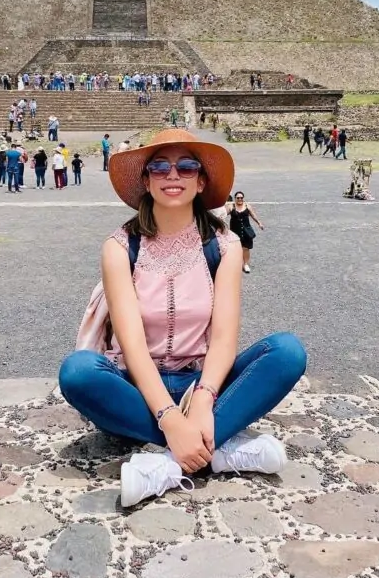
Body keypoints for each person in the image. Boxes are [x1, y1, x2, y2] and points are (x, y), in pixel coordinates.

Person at [58, 129, 306, 507]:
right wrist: (170, 418)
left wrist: (204, 401)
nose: (173, 175)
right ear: (146, 180)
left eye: (186, 166)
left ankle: (171, 464)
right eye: (160, 167)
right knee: (78, 372)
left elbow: (224, 338)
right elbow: (132, 343)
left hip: (202, 380)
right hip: (137, 387)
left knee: (287, 351)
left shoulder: (225, 246)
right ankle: (216, 449)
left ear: (201, 181)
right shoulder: (119, 247)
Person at [228, 192, 264, 274]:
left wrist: (259, 223)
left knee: (246, 248)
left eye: (241, 198)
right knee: (235, 248)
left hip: (246, 230)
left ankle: (246, 264)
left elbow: (253, 215)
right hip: (235, 231)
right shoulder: (231, 207)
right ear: (235, 198)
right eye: (238, 198)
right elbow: (223, 215)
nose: (240, 199)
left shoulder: (247, 206)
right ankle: (236, 265)